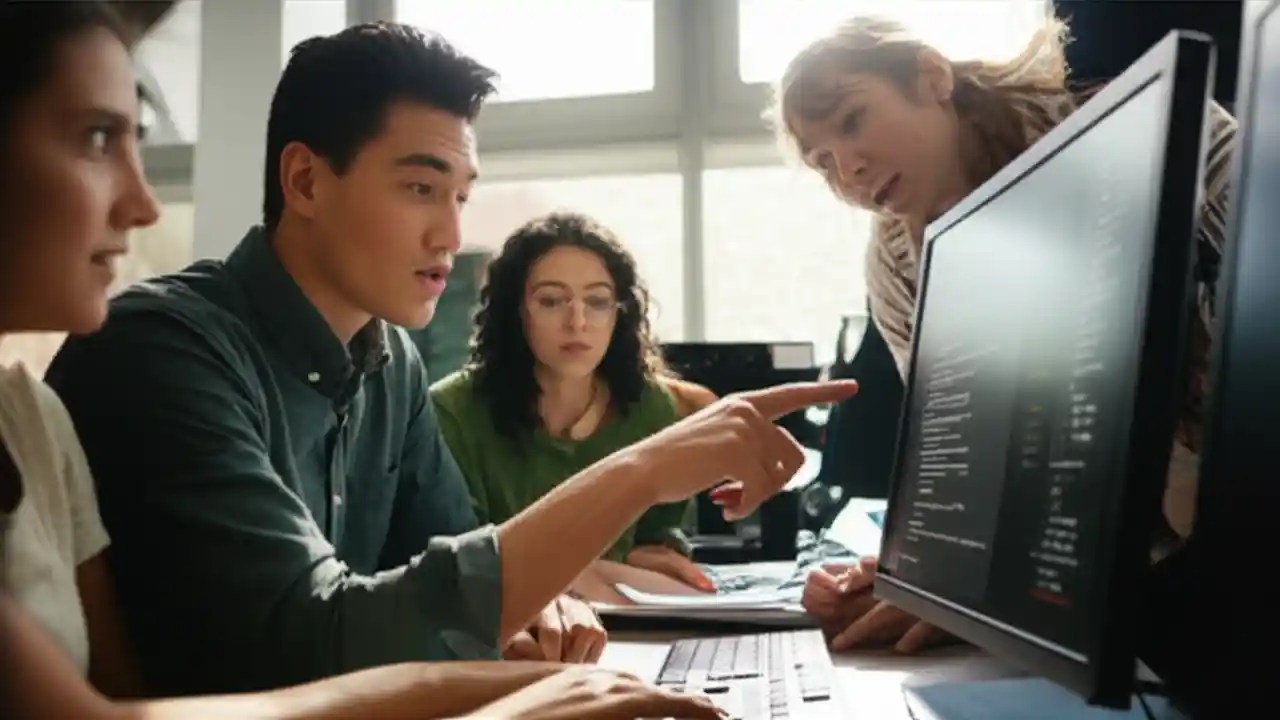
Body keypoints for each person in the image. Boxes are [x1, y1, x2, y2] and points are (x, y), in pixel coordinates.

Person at [42, 12, 857, 696]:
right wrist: (640, 470)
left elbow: (451, 564)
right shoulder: (162, 348)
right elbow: (301, 646)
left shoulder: (389, 362)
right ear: (305, 182)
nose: (451, 236)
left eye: (461, 196)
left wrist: (537, 609)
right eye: (420, 188)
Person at [774, 13, 1236, 653]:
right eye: (823, 161)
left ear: (931, 77)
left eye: (853, 121)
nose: (848, 170)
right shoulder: (895, 266)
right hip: (1125, 589)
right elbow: (972, 458)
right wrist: (932, 580)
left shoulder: (1147, 125)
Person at [431, 212, 719, 606]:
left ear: (620, 313)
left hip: (630, 627)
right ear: (514, 311)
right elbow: (465, 569)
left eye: (598, 302)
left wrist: (651, 553)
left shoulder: (650, 407)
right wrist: (593, 569)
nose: (577, 322)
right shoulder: (453, 412)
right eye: (551, 301)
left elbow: (659, 537)